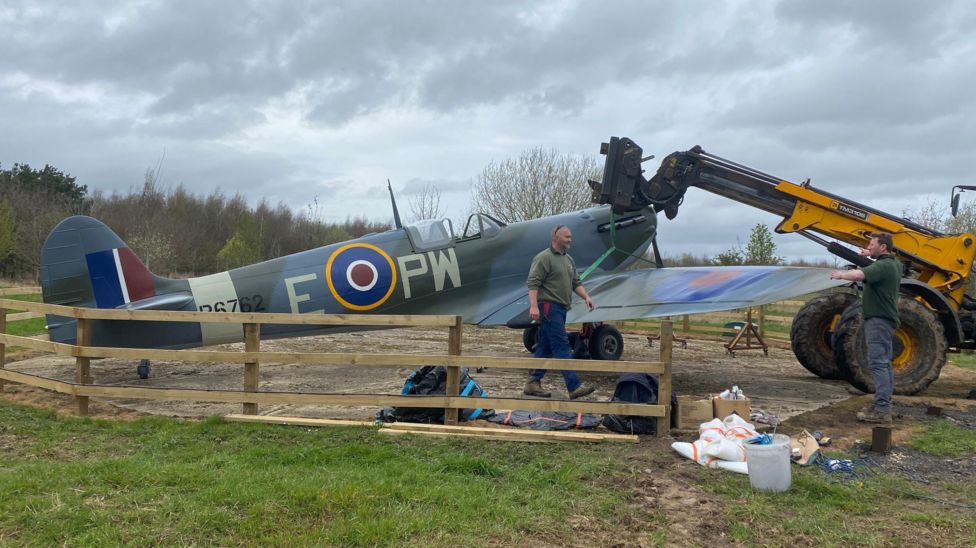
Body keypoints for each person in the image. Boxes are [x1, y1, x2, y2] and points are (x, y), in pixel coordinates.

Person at [830, 232, 901, 423]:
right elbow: (873, 267)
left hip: (878, 320)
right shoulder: (893, 264)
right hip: (885, 319)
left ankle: (882, 410)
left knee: (878, 363)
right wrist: (868, 255)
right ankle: (884, 404)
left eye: (871, 244)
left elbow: (860, 275)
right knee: (884, 364)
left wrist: (841, 275)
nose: (868, 247)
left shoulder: (883, 266)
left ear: (883, 247)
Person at [523, 224, 597, 399]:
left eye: (571, 236)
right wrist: (533, 306)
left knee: (546, 345)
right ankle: (574, 387)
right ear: (555, 238)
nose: (570, 240)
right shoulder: (544, 258)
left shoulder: (568, 259)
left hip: (561, 308)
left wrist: (586, 297)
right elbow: (533, 282)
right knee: (561, 344)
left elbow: (575, 282)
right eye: (567, 237)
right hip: (549, 306)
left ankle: (533, 382)